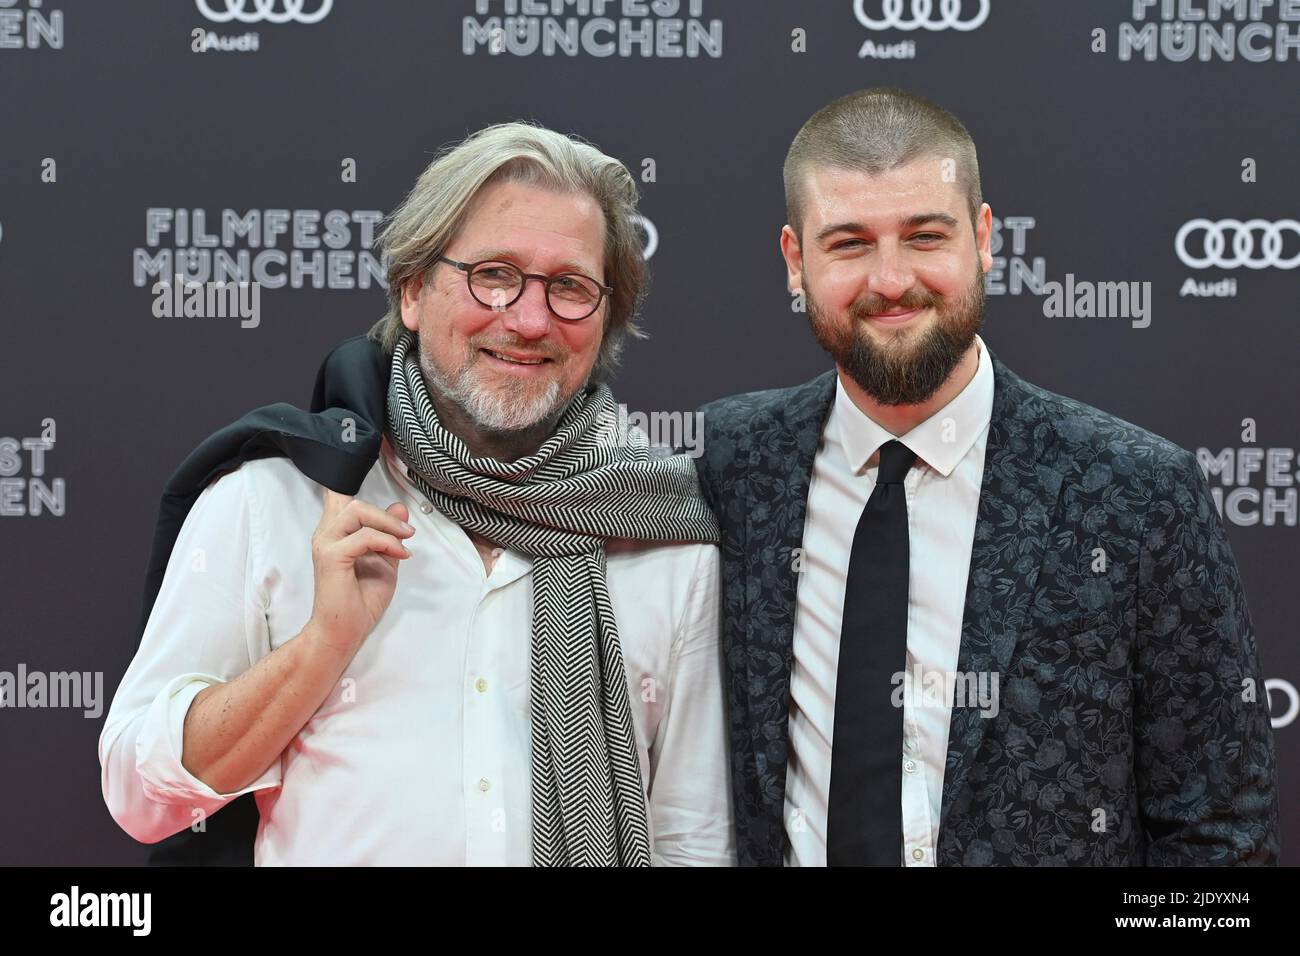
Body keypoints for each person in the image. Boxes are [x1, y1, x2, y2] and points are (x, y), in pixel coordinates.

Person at [100, 121, 734, 866]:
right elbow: (140, 797)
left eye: (569, 287)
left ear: (605, 317)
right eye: (493, 274)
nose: (530, 321)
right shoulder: (275, 498)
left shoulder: (665, 534)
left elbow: (692, 838)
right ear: (412, 290)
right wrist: (321, 646)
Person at [692, 87, 1280, 866]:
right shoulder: (730, 463)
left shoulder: (1136, 492)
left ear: (983, 238)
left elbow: (1222, 837)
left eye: (925, 236)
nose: (892, 279)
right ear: (796, 260)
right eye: (850, 243)